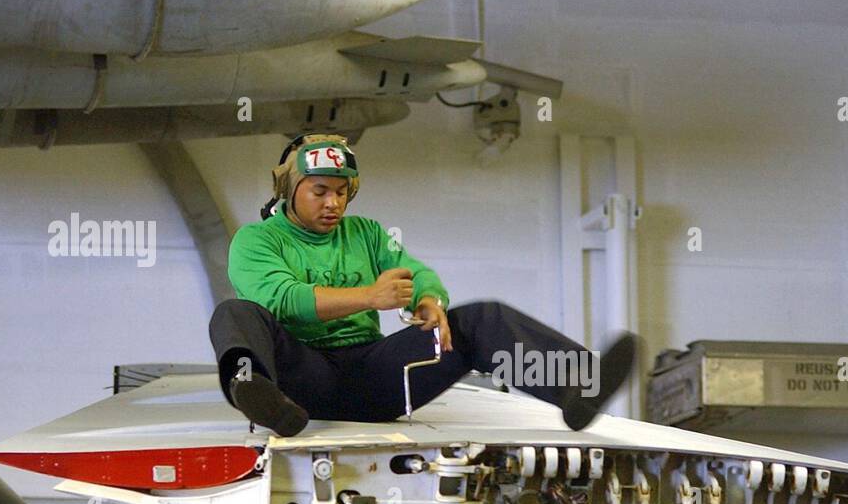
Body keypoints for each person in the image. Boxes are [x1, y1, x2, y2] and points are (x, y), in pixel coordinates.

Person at [209, 133, 637, 436]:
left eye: (341, 192)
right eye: (319, 191)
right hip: (301, 383)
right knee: (234, 312)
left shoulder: (367, 233)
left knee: (478, 318)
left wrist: (430, 300)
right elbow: (280, 300)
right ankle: (257, 394)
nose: (333, 203)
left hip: (375, 379)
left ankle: (577, 385)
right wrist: (369, 297)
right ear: (289, 189)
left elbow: (415, 272)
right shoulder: (255, 240)